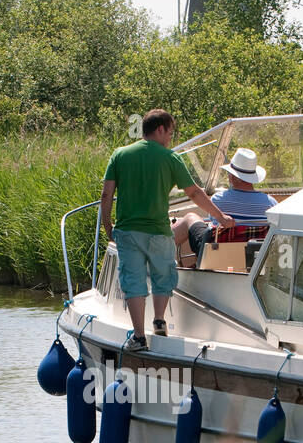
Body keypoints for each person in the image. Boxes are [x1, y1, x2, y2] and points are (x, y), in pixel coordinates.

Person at [101, 109, 234, 351]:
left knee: (133, 282)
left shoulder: (119, 155)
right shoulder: (170, 159)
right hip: (159, 232)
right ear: (160, 129)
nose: (170, 138)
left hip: (128, 232)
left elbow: (106, 194)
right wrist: (220, 216)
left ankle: (139, 337)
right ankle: (159, 322)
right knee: (163, 276)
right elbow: (193, 193)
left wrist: (108, 226)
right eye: (170, 132)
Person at [171, 147, 274, 268]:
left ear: (232, 176)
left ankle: (156, 253)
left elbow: (215, 229)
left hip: (217, 258)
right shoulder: (271, 204)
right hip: (256, 262)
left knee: (190, 217)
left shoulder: (218, 199)